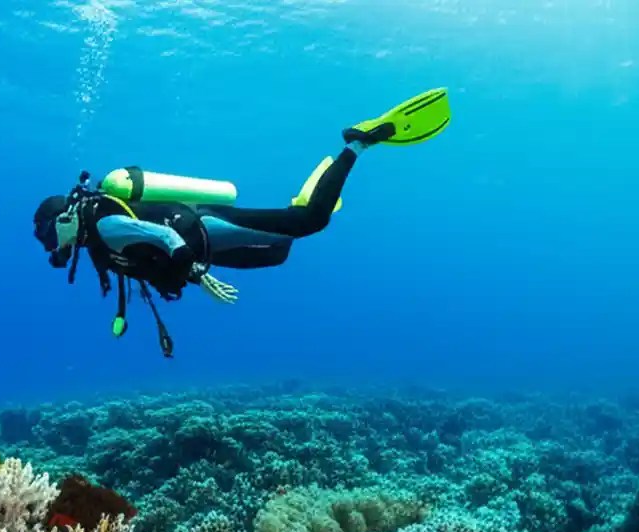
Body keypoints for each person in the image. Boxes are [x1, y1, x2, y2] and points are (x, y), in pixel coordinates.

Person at [31, 88, 452, 358]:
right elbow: (138, 265)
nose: (53, 246)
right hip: (204, 244)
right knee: (277, 253)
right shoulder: (94, 239)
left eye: (51, 235)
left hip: (205, 230)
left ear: (64, 218)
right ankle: (307, 194)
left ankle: (358, 143)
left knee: (309, 222)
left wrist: (195, 273)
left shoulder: (103, 226)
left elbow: (159, 236)